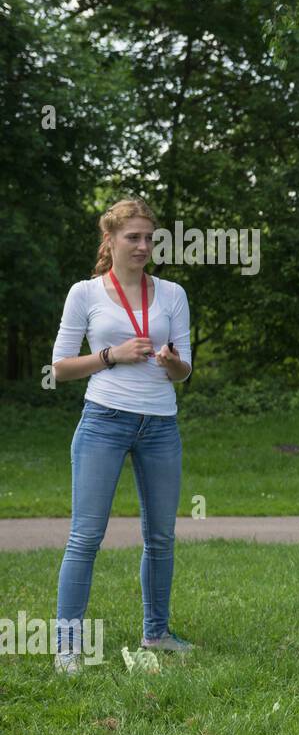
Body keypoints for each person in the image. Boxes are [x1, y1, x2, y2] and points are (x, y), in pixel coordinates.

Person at [50, 197, 194, 674]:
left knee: (161, 537)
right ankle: (67, 647)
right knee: (85, 538)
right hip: (103, 421)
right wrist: (111, 355)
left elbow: (184, 371)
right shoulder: (84, 293)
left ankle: (156, 633)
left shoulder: (172, 294)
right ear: (109, 239)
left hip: (160, 425)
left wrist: (173, 363)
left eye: (150, 238)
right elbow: (61, 368)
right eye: (133, 237)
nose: (143, 245)